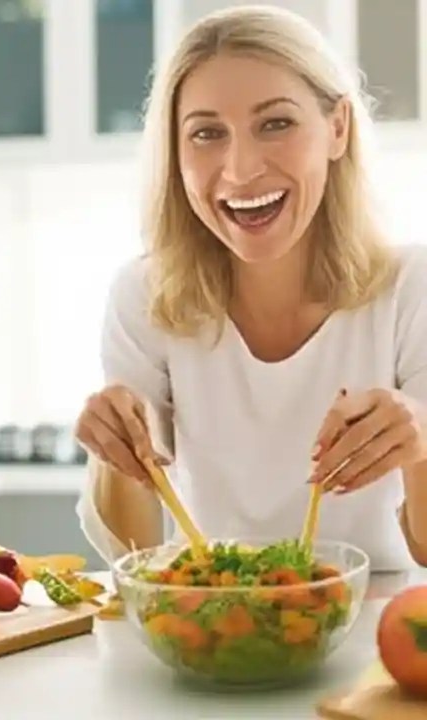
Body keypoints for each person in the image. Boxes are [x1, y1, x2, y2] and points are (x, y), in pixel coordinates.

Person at [73, 5, 427, 573]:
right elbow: (132, 555)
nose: (239, 170)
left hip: (376, 635)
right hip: (217, 631)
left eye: (276, 124)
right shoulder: (144, 296)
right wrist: (115, 452)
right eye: (207, 134)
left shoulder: (411, 290)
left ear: (337, 128)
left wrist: (421, 444)